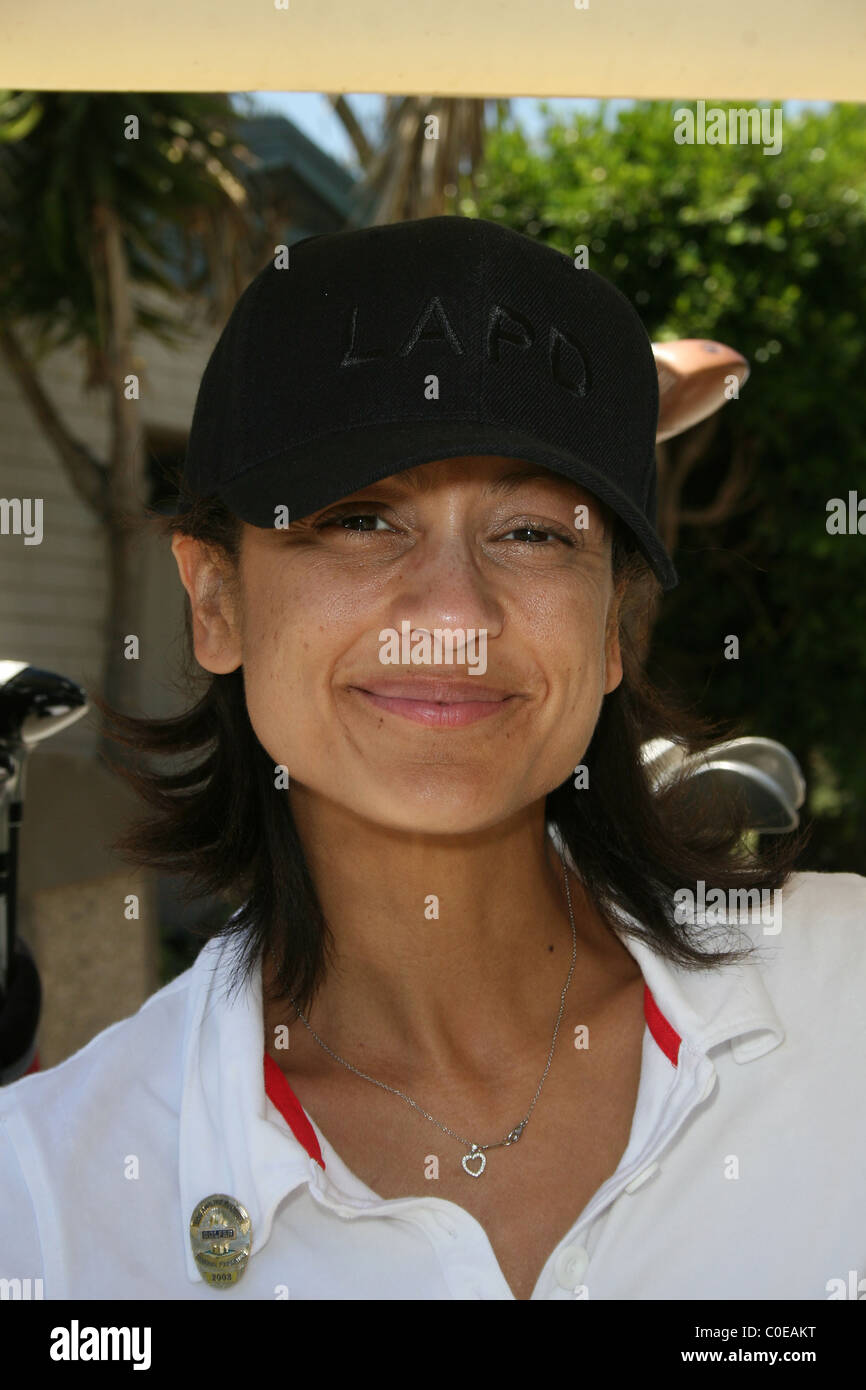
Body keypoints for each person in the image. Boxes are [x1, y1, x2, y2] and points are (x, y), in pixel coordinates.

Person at [1, 215, 863, 1302]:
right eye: (360, 518)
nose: (451, 614)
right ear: (214, 599)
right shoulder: (45, 1209)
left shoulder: (848, 1008)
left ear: (611, 627)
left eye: (534, 532)